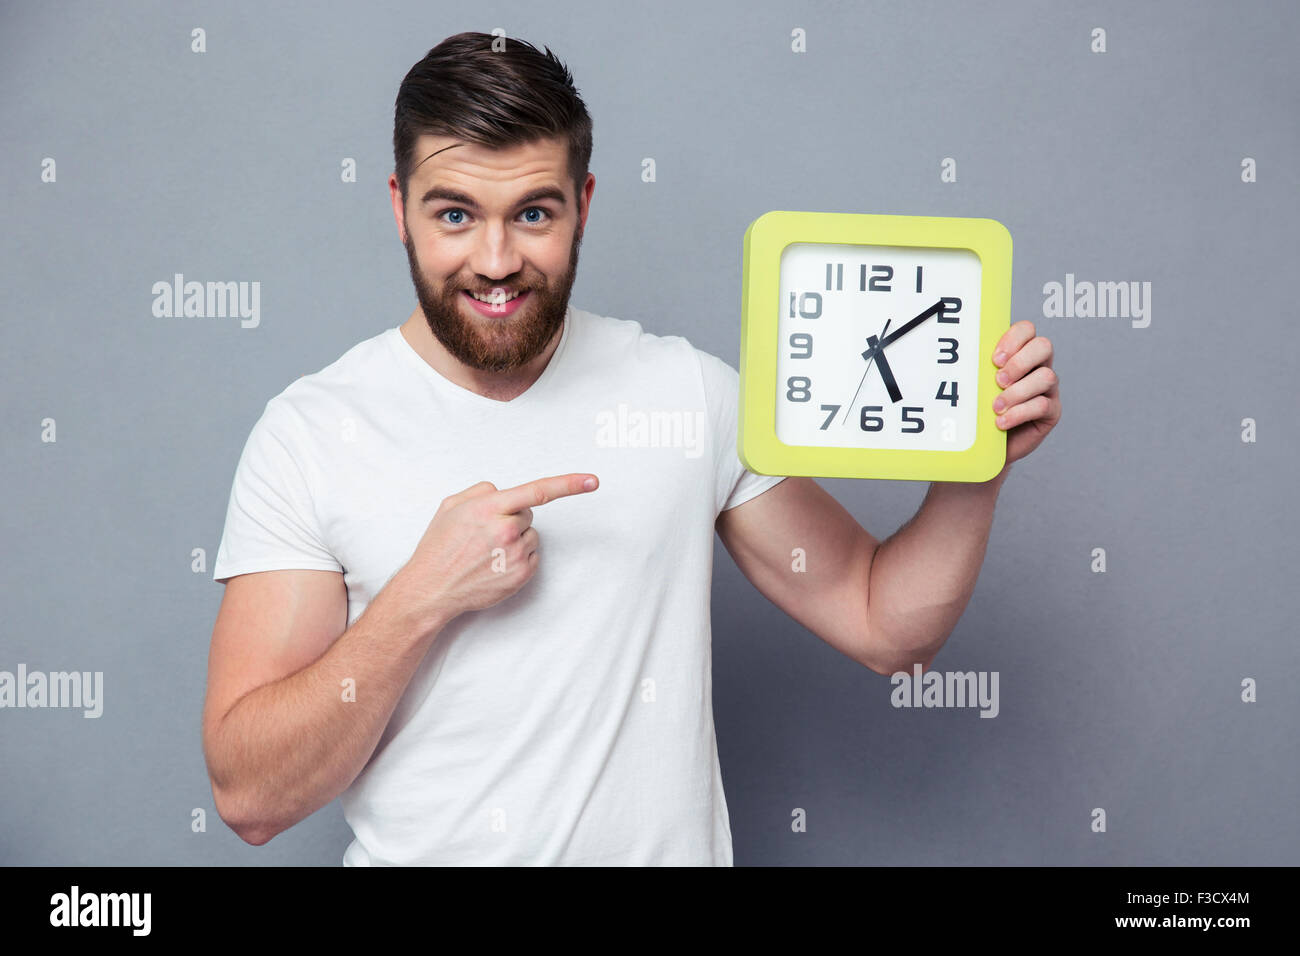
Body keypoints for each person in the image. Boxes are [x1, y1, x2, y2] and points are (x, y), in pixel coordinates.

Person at [201, 32, 1062, 866]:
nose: (495, 261)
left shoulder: (688, 396)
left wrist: (976, 464)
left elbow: (882, 623)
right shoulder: (312, 435)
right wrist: (419, 597)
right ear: (398, 208)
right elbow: (250, 798)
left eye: (533, 212)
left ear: (584, 205)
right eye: (455, 214)